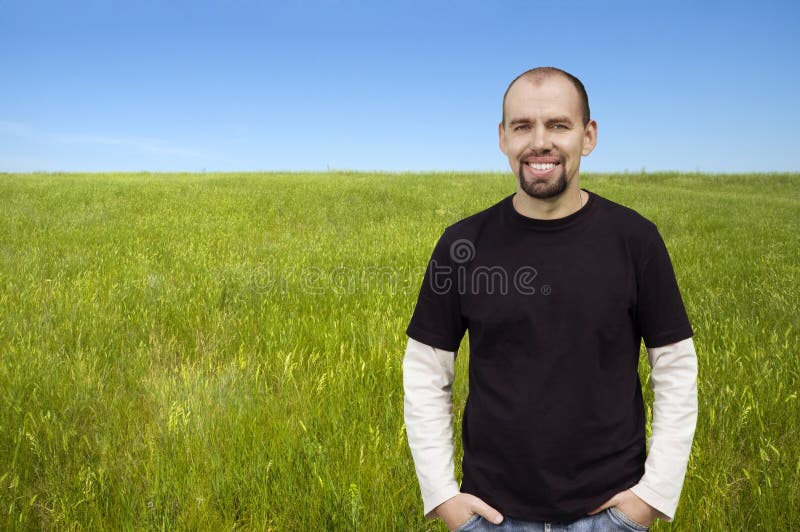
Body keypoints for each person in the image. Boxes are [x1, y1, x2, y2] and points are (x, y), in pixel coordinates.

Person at [403, 67, 698, 532]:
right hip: (490, 516)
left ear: (588, 135)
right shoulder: (462, 244)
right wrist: (442, 496)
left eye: (558, 125)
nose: (540, 142)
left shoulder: (636, 240)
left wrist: (652, 495)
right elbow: (425, 370)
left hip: (610, 515)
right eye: (523, 126)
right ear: (503, 138)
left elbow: (676, 367)